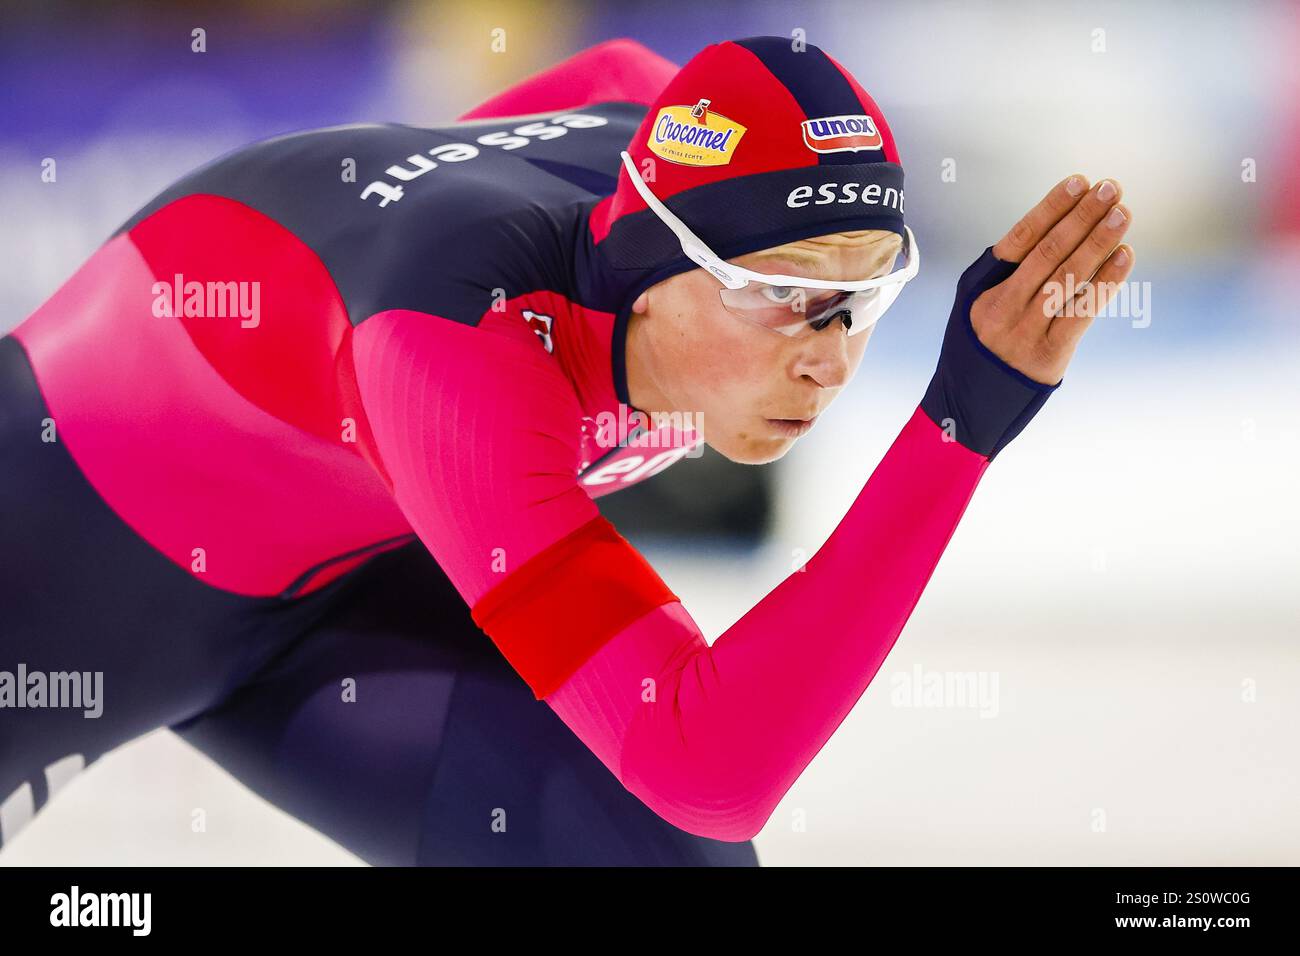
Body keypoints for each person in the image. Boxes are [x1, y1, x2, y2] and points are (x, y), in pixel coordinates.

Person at [0, 35, 1133, 865]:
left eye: (862, 298)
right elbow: (711, 762)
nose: (830, 360)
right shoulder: (448, 349)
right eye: (786, 297)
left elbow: (609, 77)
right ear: (656, 259)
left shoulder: (644, 138)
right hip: (49, 566)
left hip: (340, 588)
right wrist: (955, 427)